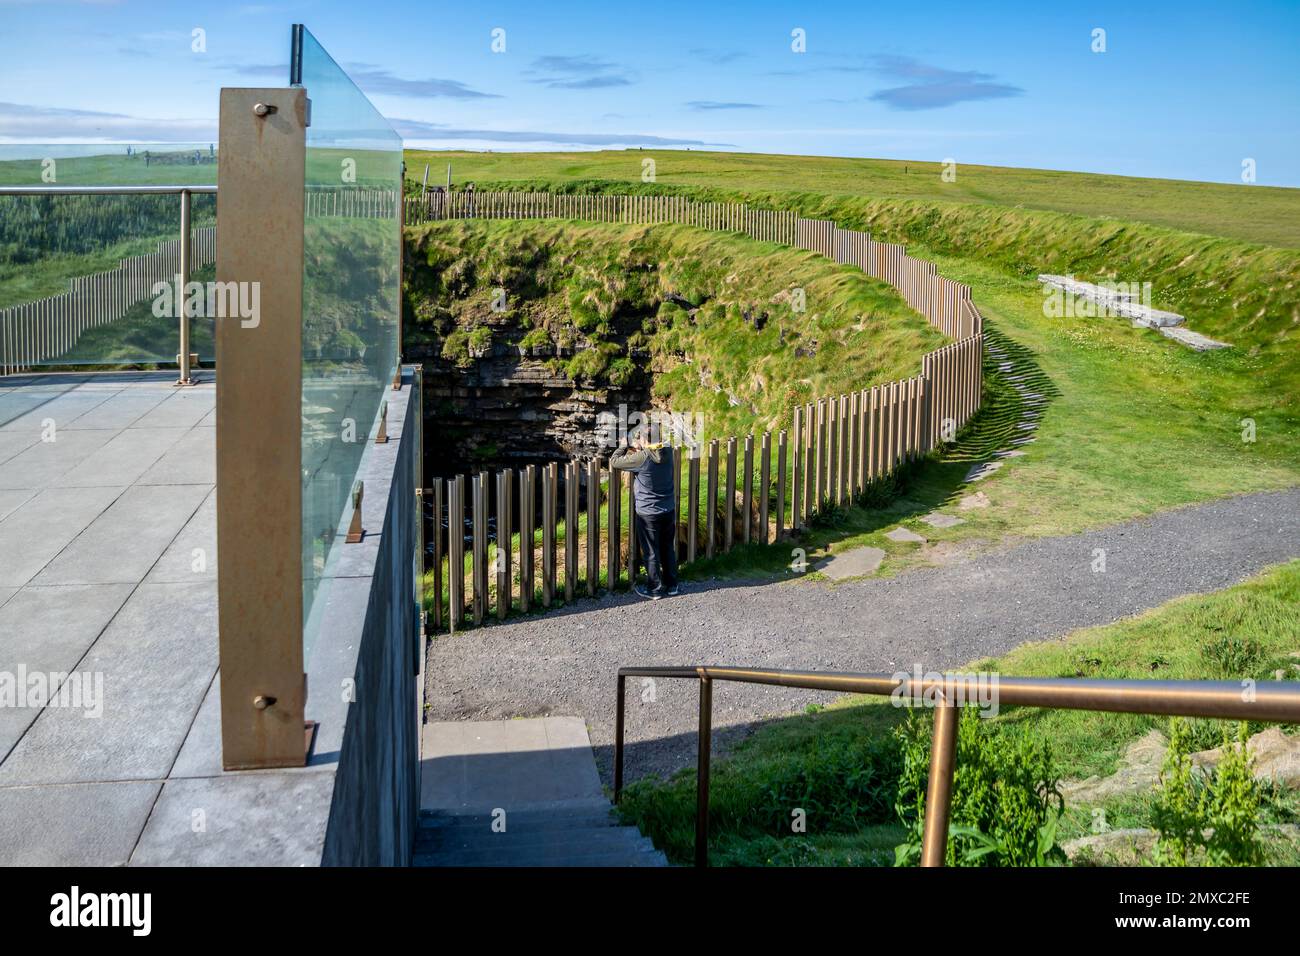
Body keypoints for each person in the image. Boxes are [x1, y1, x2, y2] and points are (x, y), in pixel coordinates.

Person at [610, 435, 679, 600]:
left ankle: (654, 589)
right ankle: (672, 586)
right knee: (667, 547)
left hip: (648, 513)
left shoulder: (641, 458)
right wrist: (644, 446)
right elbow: (655, 452)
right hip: (668, 510)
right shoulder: (668, 451)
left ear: (645, 441)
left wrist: (623, 445)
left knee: (651, 552)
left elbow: (615, 461)